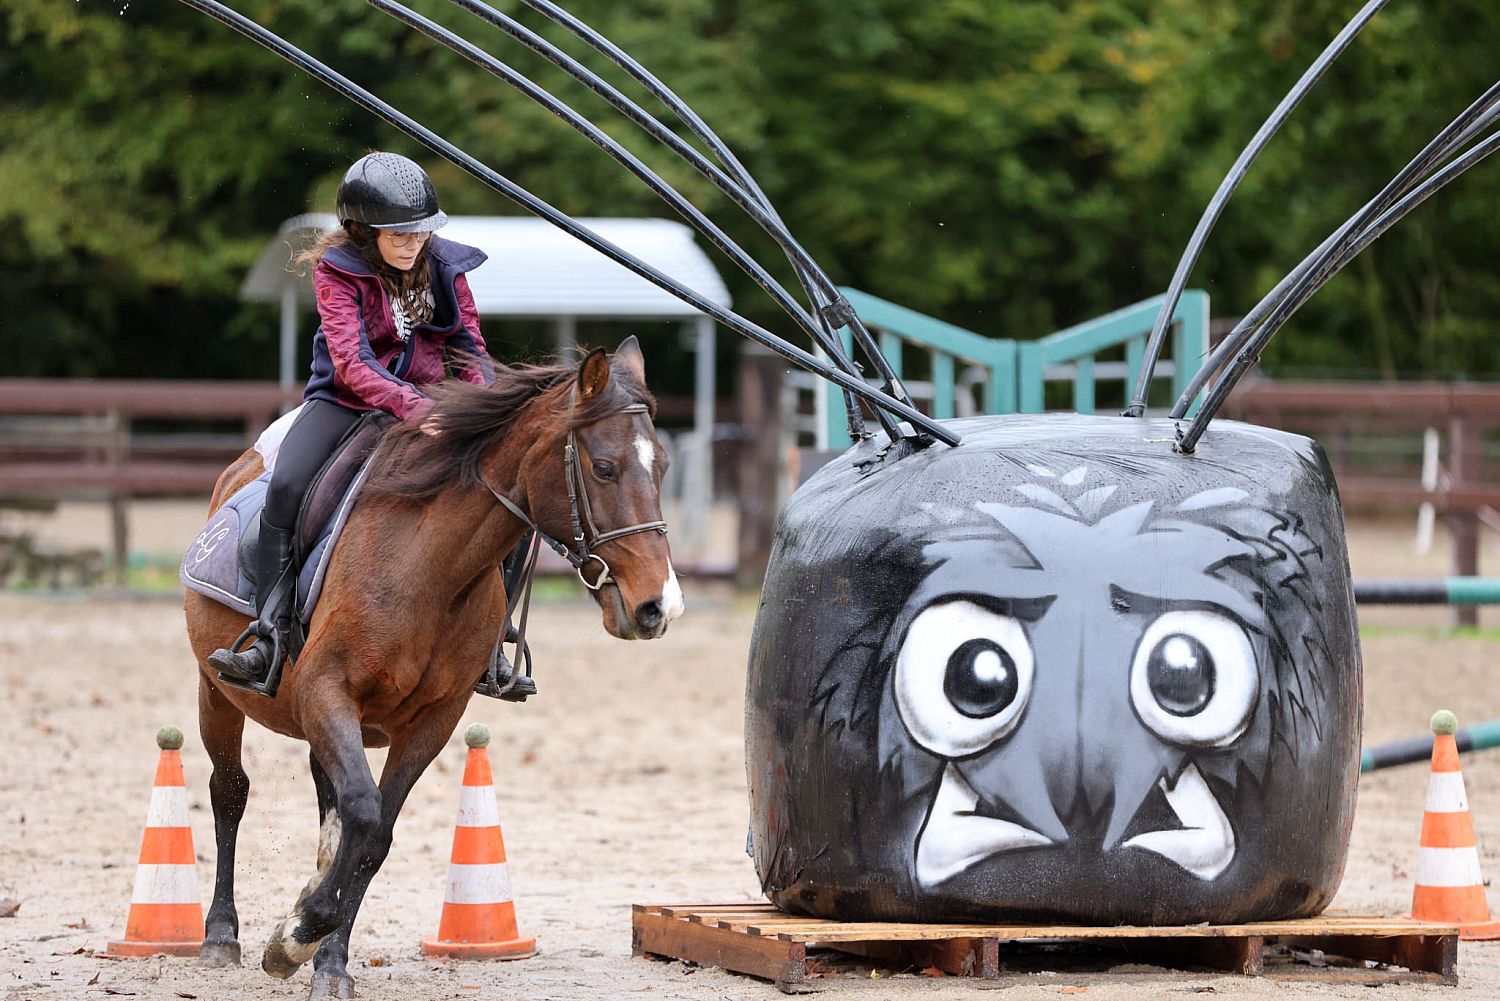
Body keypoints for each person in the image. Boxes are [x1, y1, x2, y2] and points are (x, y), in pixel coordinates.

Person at [209, 151, 494, 695]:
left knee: (502, 484)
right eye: (400, 235)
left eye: (421, 234)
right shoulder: (337, 270)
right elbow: (352, 363)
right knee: (288, 487)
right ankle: (270, 636)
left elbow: (470, 349)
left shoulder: (446, 267)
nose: (415, 244)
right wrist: (415, 409)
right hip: (346, 402)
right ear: (363, 231)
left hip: (437, 405)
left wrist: (478, 407)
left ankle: (493, 645)